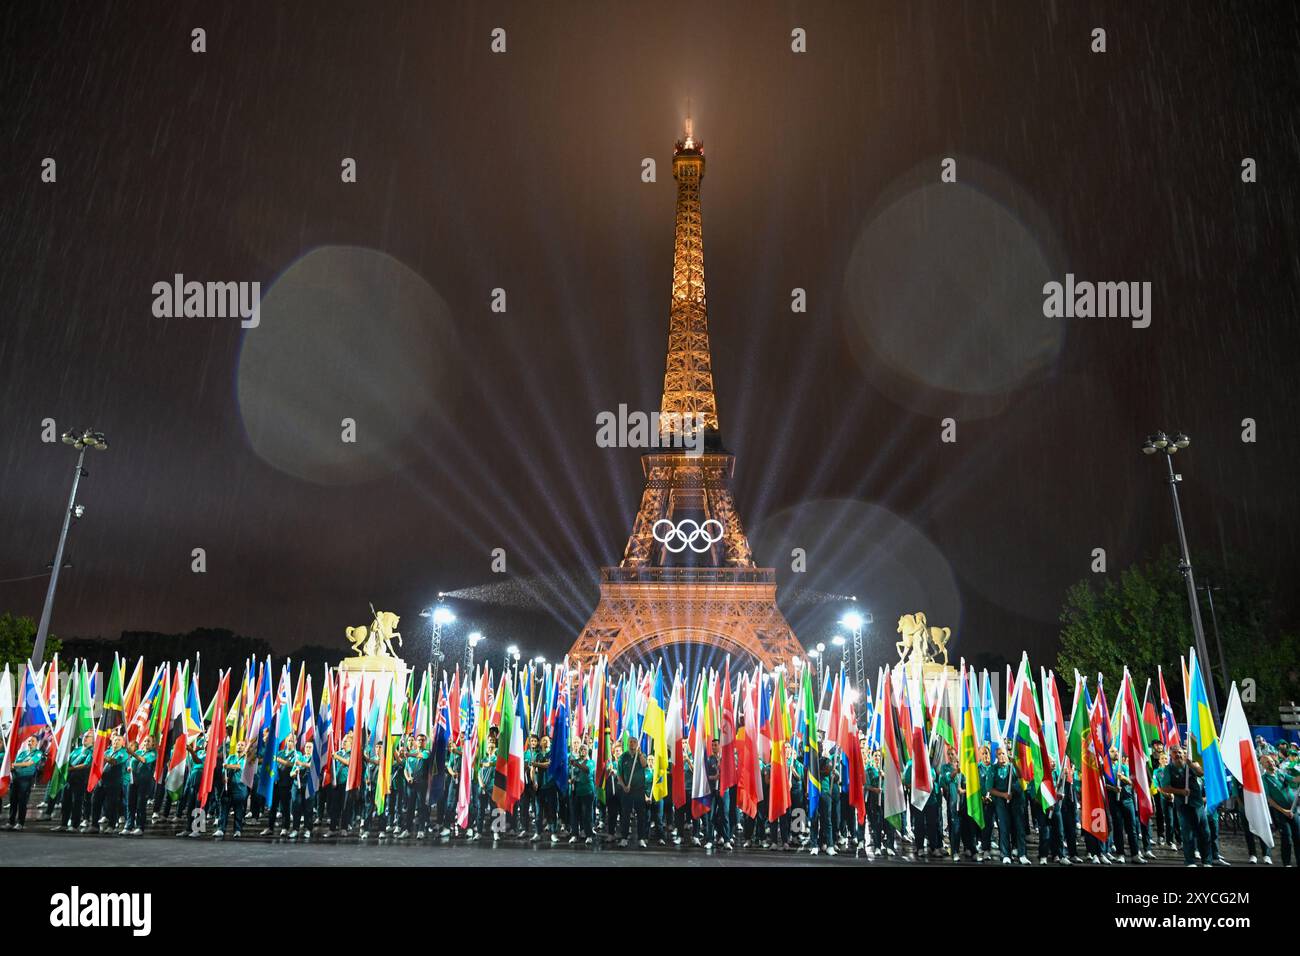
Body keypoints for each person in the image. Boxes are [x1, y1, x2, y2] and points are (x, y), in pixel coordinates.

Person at [1165, 745, 1210, 866]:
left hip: (1198, 805)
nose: (1178, 755)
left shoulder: (1190, 766)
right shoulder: (1168, 769)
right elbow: (1165, 787)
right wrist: (1181, 792)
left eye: (1180, 752)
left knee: (1204, 834)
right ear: (1171, 756)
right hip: (1184, 806)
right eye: (1175, 753)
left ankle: (1207, 860)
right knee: (1188, 834)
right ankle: (1189, 861)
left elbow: (1201, 773)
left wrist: (1190, 764)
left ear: (1184, 754)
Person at [989, 747, 1028, 864]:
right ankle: (1006, 854)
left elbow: (1021, 777)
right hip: (1001, 800)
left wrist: (1015, 764)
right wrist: (1003, 795)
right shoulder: (993, 769)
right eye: (999, 754)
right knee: (1004, 827)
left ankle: (1022, 854)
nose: (1002, 756)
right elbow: (990, 789)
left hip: (1016, 799)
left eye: (1003, 754)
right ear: (996, 756)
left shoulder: (1012, 767)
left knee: (1020, 827)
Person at [53, 730, 95, 832]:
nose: (85, 738)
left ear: (93, 740)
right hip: (69, 779)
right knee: (65, 801)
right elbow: (68, 760)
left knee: (77, 802)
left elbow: (86, 764)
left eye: (88, 737)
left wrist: (71, 768)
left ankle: (74, 825)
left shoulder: (92, 751)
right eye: (84, 736)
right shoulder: (77, 750)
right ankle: (63, 823)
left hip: (80, 780)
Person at [1263, 752, 1299, 867]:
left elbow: (1294, 780)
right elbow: (1269, 800)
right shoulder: (1264, 779)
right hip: (1280, 813)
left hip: (1293, 810)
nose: (1271, 763)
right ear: (1263, 765)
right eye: (1268, 762)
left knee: (1298, 837)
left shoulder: (1280, 773)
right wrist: (1284, 811)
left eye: (1272, 761)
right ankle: (1287, 863)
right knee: (1286, 839)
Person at [6, 736, 45, 830]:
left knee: (22, 802)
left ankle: (20, 823)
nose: (30, 742)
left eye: (32, 741)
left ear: (36, 743)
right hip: (15, 778)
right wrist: (11, 767)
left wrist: (14, 765)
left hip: (26, 779)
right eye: (29, 741)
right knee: (13, 801)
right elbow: (15, 764)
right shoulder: (23, 753)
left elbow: (29, 763)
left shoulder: (38, 753)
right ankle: (11, 822)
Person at [617, 735, 648, 847]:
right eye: (630, 742)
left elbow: (644, 765)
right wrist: (624, 786)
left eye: (634, 742)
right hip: (627, 791)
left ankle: (641, 838)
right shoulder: (623, 757)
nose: (632, 744)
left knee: (641, 815)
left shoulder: (640, 755)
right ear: (627, 743)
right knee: (625, 814)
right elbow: (619, 775)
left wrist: (639, 754)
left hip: (639, 790)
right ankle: (624, 838)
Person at [215, 739, 249, 838]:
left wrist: (227, 766)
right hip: (228, 788)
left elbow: (239, 767)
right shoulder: (230, 757)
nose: (239, 746)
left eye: (242, 745)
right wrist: (223, 778)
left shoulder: (245, 758)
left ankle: (237, 830)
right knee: (224, 808)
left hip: (240, 788)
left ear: (245, 748)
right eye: (238, 745)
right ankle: (221, 829)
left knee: (238, 810)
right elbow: (223, 771)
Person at [125, 734, 157, 835]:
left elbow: (144, 760)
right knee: (130, 803)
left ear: (152, 744)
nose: (146, 743)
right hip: (134, 781)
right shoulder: (139, 752)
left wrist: (133, 754)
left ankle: (140, 827)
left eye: (148, 741)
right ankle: (129, 826)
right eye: (145, 741)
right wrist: (130, 768)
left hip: (145, 783)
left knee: (140, 804)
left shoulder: (153, 754)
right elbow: (132, 762)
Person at [568, 742, 595, 842]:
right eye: (581, 749)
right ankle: (574, 834)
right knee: (575, 814)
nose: (583, 751)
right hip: (576, 791)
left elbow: (587, 770)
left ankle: (589, 835)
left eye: (585, 749)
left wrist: (577, 764)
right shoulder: (574, 762)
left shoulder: (590, 762)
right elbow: (570, 774)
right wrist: (571, 779)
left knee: (586, 814)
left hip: (587, 791)